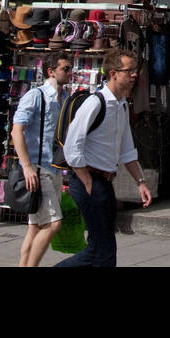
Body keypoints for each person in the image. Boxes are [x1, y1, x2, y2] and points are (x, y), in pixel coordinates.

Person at [55, 49, 152, 268]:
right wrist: (85, 179)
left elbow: (127, 149)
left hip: (105, 182)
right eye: (129, 71)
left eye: (135, 71)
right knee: (103, 252)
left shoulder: (121, 105)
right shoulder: (95, 103)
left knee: (101, 250)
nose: (134, 75)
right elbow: (72, 146)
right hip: (89, 181)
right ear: (113, 73)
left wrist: (141, 182)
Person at [11, 52, 70, 267]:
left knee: (35, 227)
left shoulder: (64, 98)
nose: (70, 72)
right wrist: (26, 166)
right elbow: (17, 131)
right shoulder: (37, 95)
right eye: (65, 68)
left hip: (53, 169)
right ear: (51, 71)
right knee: (54, 223)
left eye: (70, 68)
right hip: (37, 169)